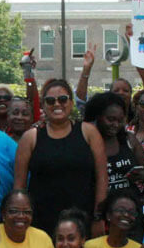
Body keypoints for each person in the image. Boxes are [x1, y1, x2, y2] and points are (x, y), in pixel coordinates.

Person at [14, 79, 109, 235]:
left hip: (83, 219)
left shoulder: (89, 132)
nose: (57, 104)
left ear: (71, 102)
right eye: (50, 100)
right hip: (41, 222)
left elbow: (102, 178)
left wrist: (99, 217)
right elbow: (19, 186)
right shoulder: (30, 137)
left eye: (63, 99)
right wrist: (20, 219)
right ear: (43, 105)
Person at [82, 91, 144, 196]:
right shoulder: (84, 142)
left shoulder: (129, 140)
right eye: (110, 119)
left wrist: (143, 174)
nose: (116, 124)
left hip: (128, 201)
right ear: (97, 116)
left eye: (120, 120)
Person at [74, 43, 134, 115]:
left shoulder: (138, 116)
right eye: (116, 90)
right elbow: (81, 102)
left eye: (125, 91)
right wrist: (86, 68)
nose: (121, 93)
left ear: (131, 94)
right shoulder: (100, 115)